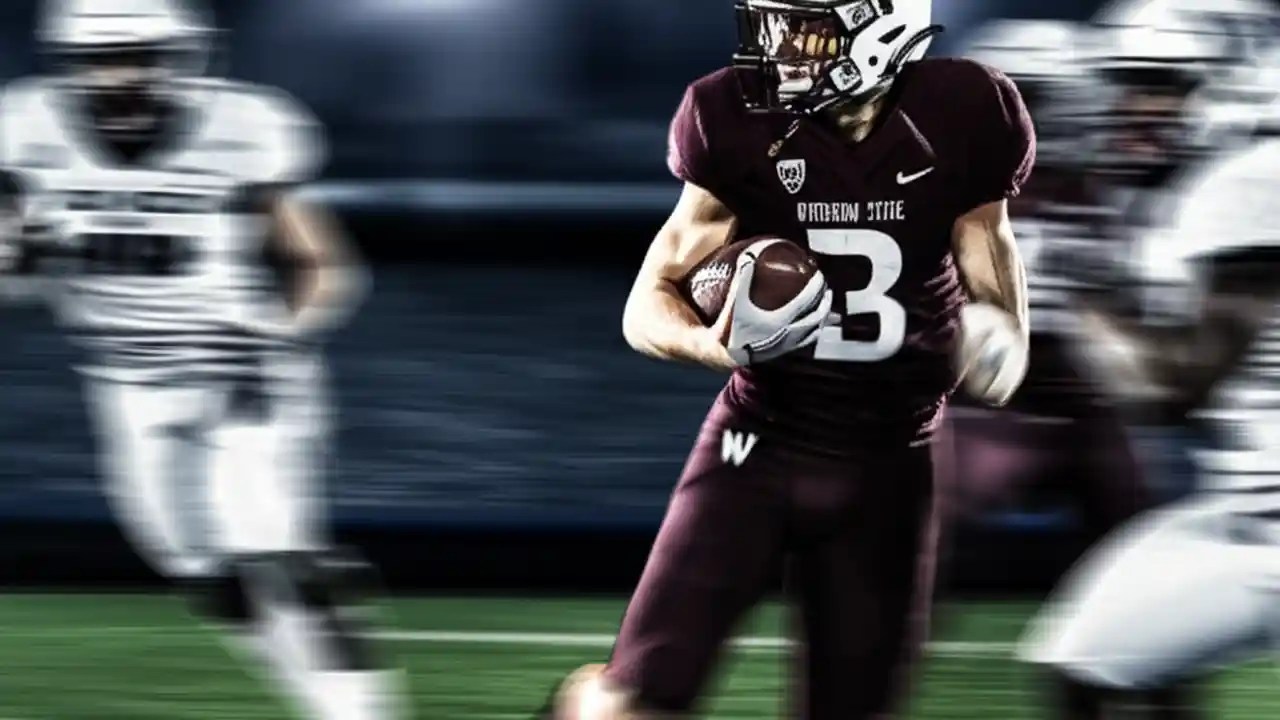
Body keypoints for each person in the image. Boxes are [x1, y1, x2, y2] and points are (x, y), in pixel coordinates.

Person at [543, 0, 1035, 717]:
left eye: (801, 27)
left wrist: (1003, 336)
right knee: (633, 705)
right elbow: (646, 303)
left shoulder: (967, 110)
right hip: (757, 442)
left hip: (893, 459)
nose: (779, 49)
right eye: (768, 25)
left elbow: (989, 256)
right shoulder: (729, 113)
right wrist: (706, 344)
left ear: (883, 26)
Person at [0, 1, 405, 718]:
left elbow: (323, 265)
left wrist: (281, 337)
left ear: (185, 57)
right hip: (123, 384)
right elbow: (14, 266)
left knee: (275, 545)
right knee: (204, 572)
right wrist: (19, 260)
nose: (120, 77)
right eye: (100, 59)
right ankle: (327, 684)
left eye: (140, 56)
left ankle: (360, 706)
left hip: (240, 372)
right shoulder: (26, 132)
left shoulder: (241, 128)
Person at [1019, 1, 1280, 717]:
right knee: (1090, 655)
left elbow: (1173, 387)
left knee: (1100, 667)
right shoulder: (1211, 186)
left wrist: (1083, 290)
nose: (1130, 106)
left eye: (1157, 81)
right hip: (1245, 512)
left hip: (1270, 530)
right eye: (1124, 83)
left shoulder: (1253, 180)